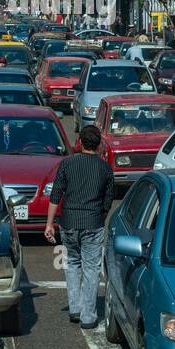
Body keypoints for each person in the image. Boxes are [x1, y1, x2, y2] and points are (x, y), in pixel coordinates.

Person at [44, 125, 114, 329]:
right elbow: (108, 200)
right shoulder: (105, 168)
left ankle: (75, 308)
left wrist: (49, 224)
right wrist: (100, 217)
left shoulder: (67, 164)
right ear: (99, 144)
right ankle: (88, 316)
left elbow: (56, 194)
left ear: (80, 142)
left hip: (68, 222)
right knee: (92, 269)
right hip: (93, 222)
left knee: (72, 264)